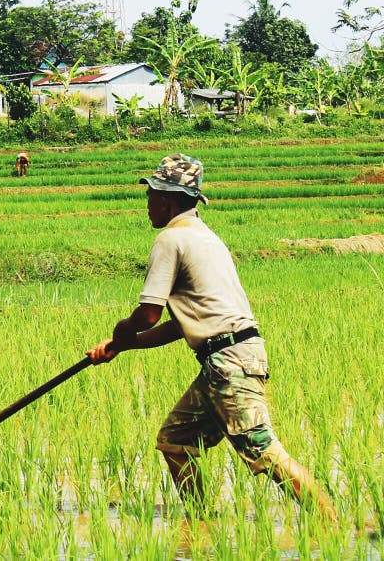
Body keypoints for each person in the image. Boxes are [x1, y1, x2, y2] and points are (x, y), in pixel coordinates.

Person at [87, 153, 337, 521]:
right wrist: (127, 346)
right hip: (226, 356)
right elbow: (181, 325)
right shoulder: (206, 238)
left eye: (150, 196)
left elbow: (149, 313)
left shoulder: (171, 239)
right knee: (175, 441)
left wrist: (122, 332)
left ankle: (330, 522)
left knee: (262, 451)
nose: (147, 204)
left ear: (167, 200)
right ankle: (200, 522)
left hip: (228, 362)